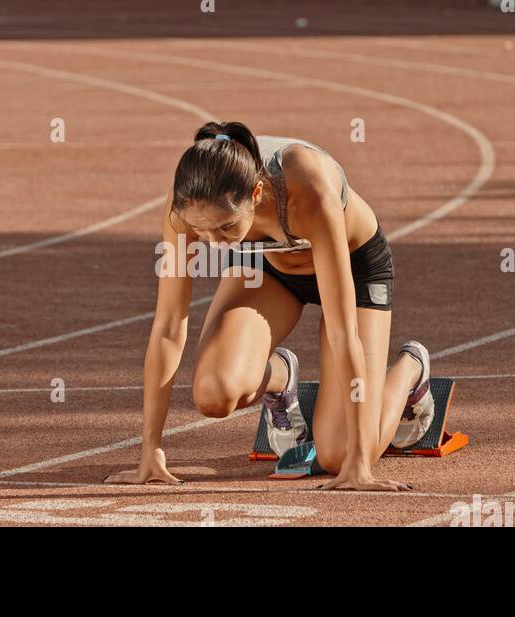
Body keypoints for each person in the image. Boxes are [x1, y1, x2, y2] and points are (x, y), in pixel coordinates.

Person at [105, 121, 435, 491]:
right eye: (203, 233)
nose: (214, 246)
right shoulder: (186, 203)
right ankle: (281, 377)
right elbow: (168, 327)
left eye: (226, 229)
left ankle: (411, 371)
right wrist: (151, 450)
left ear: (257, 192)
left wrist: (359, 464)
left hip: (355, 267)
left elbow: (344, 334)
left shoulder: (307, 189)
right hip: (268, 268)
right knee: (214, 394)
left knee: (337, 456)